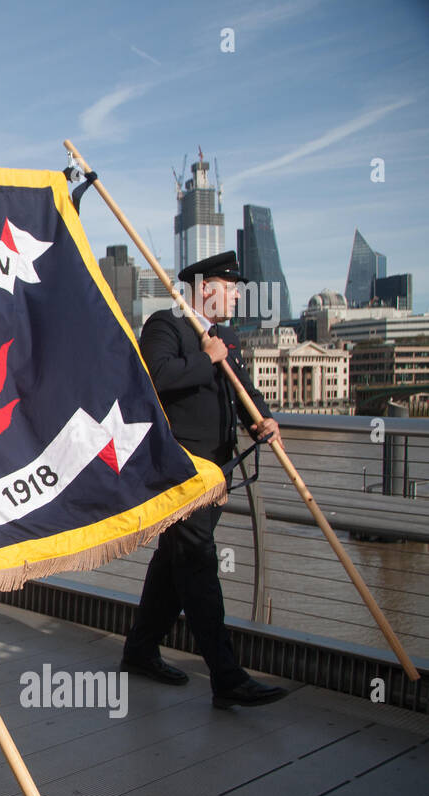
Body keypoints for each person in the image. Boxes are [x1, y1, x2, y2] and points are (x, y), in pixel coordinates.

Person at [122, 251, 288, 709]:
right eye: (230, 286)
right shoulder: (167, 324)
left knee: (175, 562)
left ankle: (139, 650)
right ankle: (227, 676)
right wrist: (208, 358)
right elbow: (154, 377)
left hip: (217, 470)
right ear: (205, 287)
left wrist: (263, 420)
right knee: (196, 561)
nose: (236, 294)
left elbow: (244, 390)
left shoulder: (225, 335)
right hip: (179, 469)